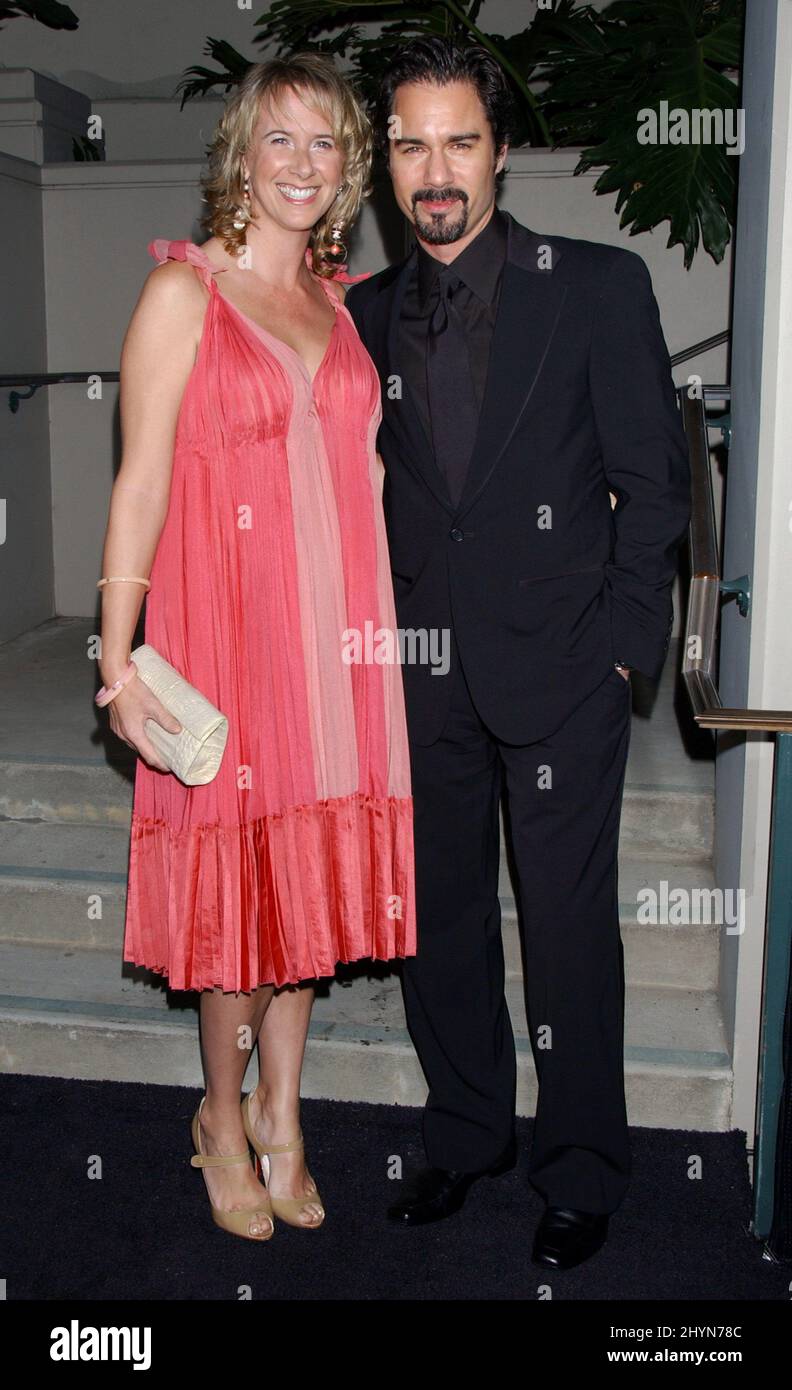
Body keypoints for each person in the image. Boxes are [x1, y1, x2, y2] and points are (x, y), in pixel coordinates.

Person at [345, 36, 690, 1269]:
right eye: (410, 143)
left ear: (500, 150)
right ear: (384, 161)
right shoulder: (366, 316)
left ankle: (582, 1161)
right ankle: (466, 1132)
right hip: (419, 673)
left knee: (566, 929)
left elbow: (655, 487)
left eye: (460, 141)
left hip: (563, 673)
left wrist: (622, 658)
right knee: (439, 921)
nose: (435, 170)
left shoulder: (595, 285)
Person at [96, 54, 415, 1242]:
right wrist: (117, 658)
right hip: (228, 631)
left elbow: (370, 480)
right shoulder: (186, 296)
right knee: (241, 903)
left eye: (325, 143)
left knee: (313, 898)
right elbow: (136, 483)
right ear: (241, 155)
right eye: (277, 139)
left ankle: (286, 1112)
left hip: (338, 648)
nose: (300, 164)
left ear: (347, 171)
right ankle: (220, 1121)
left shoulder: (345, 309)